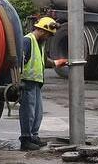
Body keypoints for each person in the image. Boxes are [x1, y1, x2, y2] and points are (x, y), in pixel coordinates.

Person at [20, 16, 68, 151]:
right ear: (41, 30)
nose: (48, 38)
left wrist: (56, 63)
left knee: (37, 112)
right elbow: (19, 61)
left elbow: (43, 60)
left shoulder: (39, 43)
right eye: (48, 34)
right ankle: (25, 139)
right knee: (28, 112)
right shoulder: (27, 41)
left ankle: (33, 136)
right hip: (27, 82)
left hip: (35, 82)